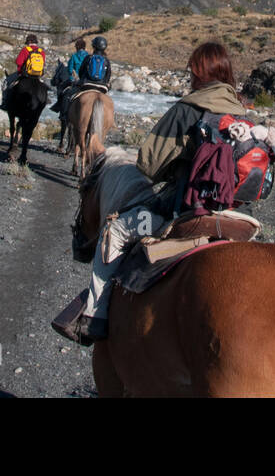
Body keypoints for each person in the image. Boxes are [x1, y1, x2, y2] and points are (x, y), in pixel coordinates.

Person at [53, 40, 247, 346]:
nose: (190, 77)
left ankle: (94, 315)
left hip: (184, 210)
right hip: (234, 215)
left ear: (199, 73)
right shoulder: (241, 111)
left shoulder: (188, 108)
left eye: (192, 71)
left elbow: (147, 164)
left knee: (115, 232)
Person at [2, 34, 45, 109]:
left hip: (24, 75)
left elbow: (18, 62)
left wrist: (19, 72)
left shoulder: (25, 50)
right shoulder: (41, 52)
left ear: (29, 42)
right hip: (37, 76)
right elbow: (43, 64)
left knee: (6, 81)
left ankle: (4, 103)